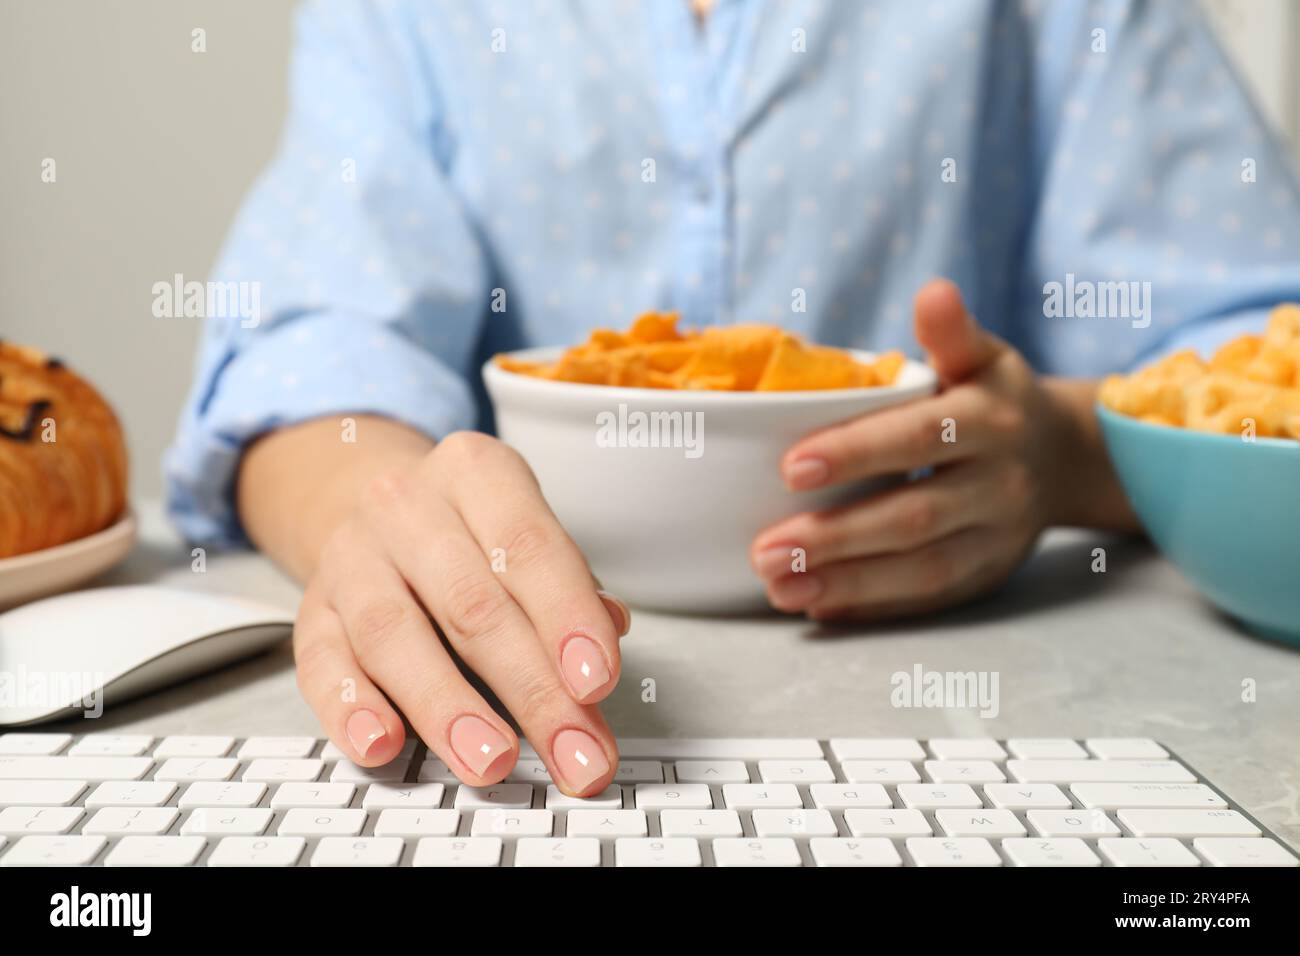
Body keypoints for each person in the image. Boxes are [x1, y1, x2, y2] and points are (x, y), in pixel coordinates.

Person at [166, 0, 1300, 794]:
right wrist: (374, 520)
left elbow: (1251, 354)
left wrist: (1060, 453)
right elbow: (312, 350)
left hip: (996, 693)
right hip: (532, 679)